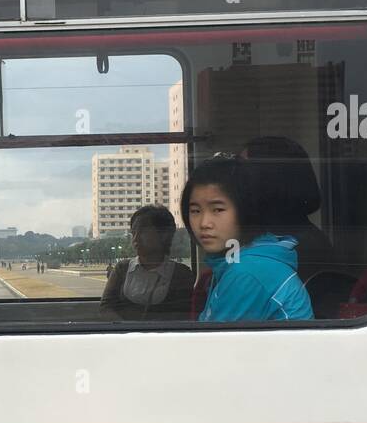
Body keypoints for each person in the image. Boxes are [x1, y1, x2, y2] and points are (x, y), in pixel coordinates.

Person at [181, 154, 312, 323]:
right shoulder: (234, 261)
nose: (204, 223)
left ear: (245, 210)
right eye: (195, 211)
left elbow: (214, 345)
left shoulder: (248, 271)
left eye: (218, 210)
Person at [239, 136, 336, 282]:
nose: (235, 179)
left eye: (243, 171)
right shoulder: (252, 233)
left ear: (268, 179)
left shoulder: (301, 247)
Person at [100, 205, 195, 320]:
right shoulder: (121, 269)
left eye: (142, 232)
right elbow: (106, 307)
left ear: (164, 235)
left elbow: (182, 315)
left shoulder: (182, 275)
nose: (135, 239)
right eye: (133, 233)